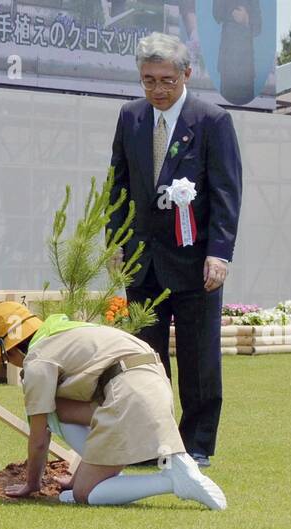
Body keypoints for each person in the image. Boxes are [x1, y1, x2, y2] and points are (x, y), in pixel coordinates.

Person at [110, 33, 242, 468]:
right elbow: (120, 184)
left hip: (196, 260)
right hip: (142, 261)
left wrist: (219, 253)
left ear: (186, 74)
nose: (157, 89)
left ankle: (198, 444)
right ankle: (152, 440)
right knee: (144, 356)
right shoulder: (130, 117)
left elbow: (226, 191)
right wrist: (115, 242)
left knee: (198, 356)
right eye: (148, 80)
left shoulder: (212, 121)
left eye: (166, 79)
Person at [0, 302, 225, 510]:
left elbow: (39, 438)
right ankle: (120, 472)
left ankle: (174, 481)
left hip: (126, 393)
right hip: (153, 383)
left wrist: (32, 484)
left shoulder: (37, 360)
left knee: (84, 494)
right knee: (61, 413)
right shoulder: (65, 331)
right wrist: (77, 475)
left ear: (10, 350)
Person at [211, 0, 262, 105]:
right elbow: (217, 14)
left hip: (246, 67)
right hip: (227, 64)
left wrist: (246, 19)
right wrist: (231, 12)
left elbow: (258, 27)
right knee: (225, 109)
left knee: (248, 110)